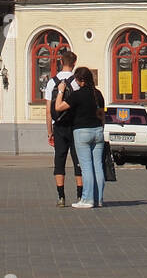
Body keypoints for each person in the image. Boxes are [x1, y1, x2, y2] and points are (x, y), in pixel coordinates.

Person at [55, 67, 106, 208]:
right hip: (98, 131)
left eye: (77, 80)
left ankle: (87, 199)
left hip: (82, 132)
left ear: (81, 80)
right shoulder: (98, 94)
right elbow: (102, 115)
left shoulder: (77, 95)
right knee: (98, 167)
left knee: (86, 167)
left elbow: (58, 107)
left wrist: (60, 91)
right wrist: (101, 129)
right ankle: (98, 199)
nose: (76, 82)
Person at [44, 49, 83, 207]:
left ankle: (61, 197)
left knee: (59, 160)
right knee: (77, 160)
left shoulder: (51, 82)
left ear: (61, 62)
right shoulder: (76, 82)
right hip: (74, 125)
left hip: (58, 126)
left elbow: (48, 111)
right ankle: (80, 195)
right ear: (74, 63)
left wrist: (49, 132)